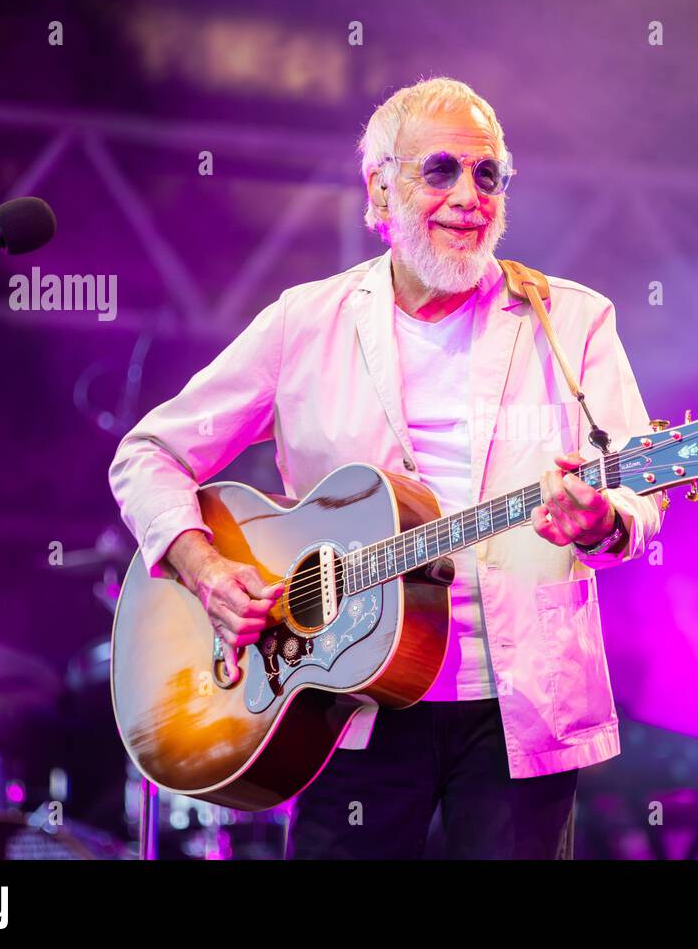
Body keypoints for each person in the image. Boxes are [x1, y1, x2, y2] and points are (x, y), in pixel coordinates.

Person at [109, 76, 662, 858]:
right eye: (441, 170)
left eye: (488, 175)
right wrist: (204, 570)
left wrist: (606, 520)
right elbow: (149, 455)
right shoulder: (303, 324)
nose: (469, 195)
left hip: (518, 706)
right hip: (338, 701)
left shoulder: (572, 319)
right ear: (381, 187)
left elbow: (635, 487)